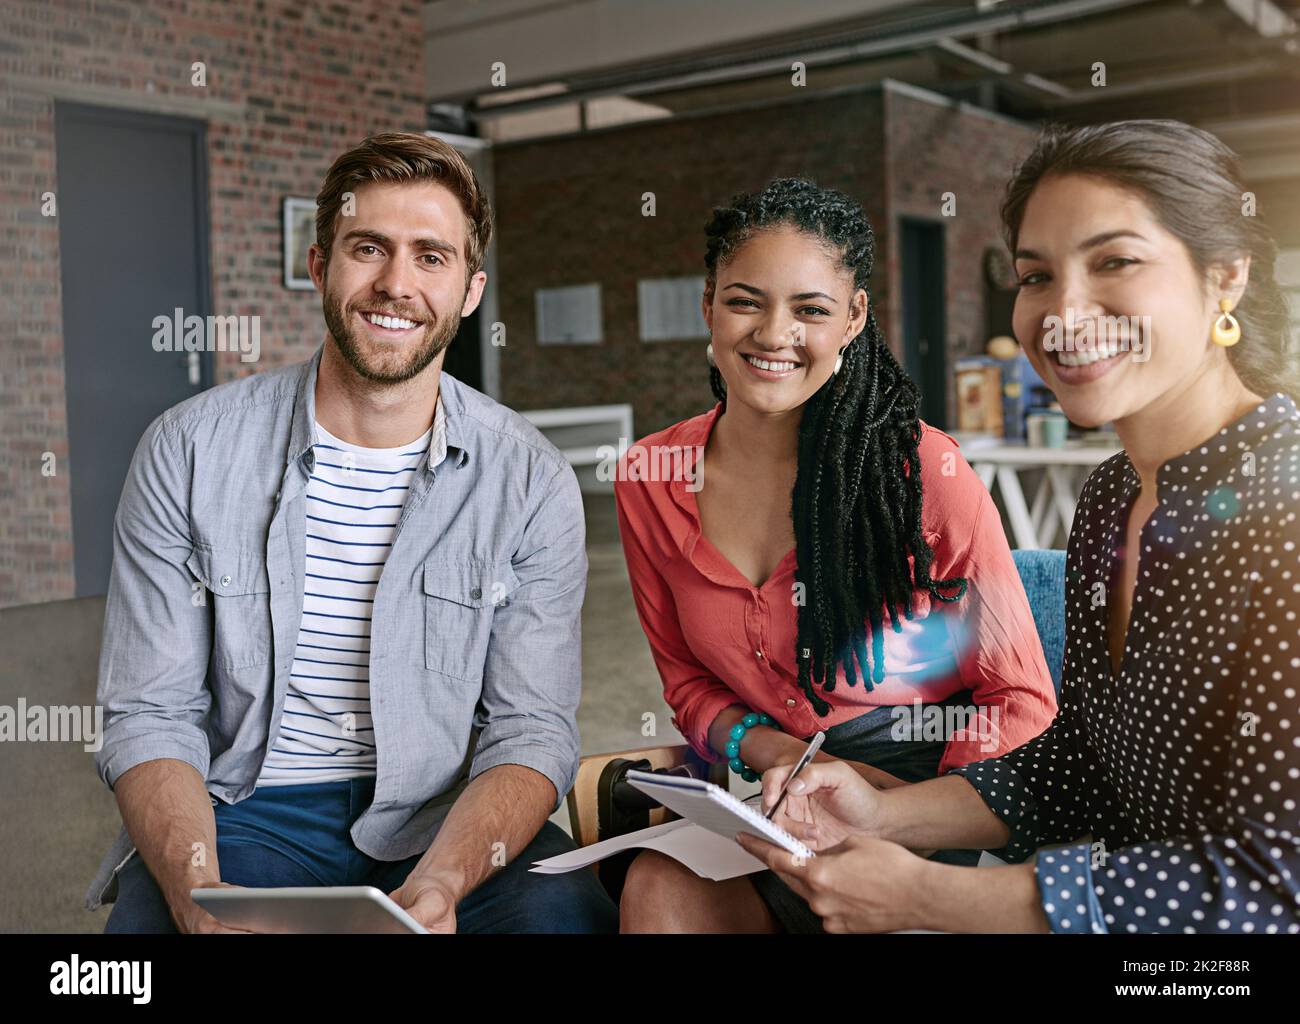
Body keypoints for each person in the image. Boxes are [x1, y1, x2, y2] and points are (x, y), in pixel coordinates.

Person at [736, 120, 1300, 934]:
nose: (1064, 313)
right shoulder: (1113, 497)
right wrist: (883, 816)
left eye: (1115, 261)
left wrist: (923, 897)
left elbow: (1275, 888)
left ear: (1225, 279)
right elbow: (1088, 767)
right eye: (1036, 275)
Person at [86, 131, 617, 934]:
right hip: (247, 809)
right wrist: (201, 897)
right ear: (319, 266)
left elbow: (529, 727)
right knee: (149, 939)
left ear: (471, 291)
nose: (397, 284)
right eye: (369, 248)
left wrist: (443, 884)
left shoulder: (529, 478)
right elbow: (150, 712)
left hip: (444, 814)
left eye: (431, 257)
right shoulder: (188, 450)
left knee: (564, 918)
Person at [615, 178, 1058, 933]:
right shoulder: (650, 479)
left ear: (854, 317)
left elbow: (1020, 704)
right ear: (708, 307)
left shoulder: (925, 475)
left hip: (923, 790)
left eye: (811, 308)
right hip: (779, 785)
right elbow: (687, 685)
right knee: (659, 890)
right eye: (745, 300)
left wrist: (894, 814)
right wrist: (775, 750)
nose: (773, 334)